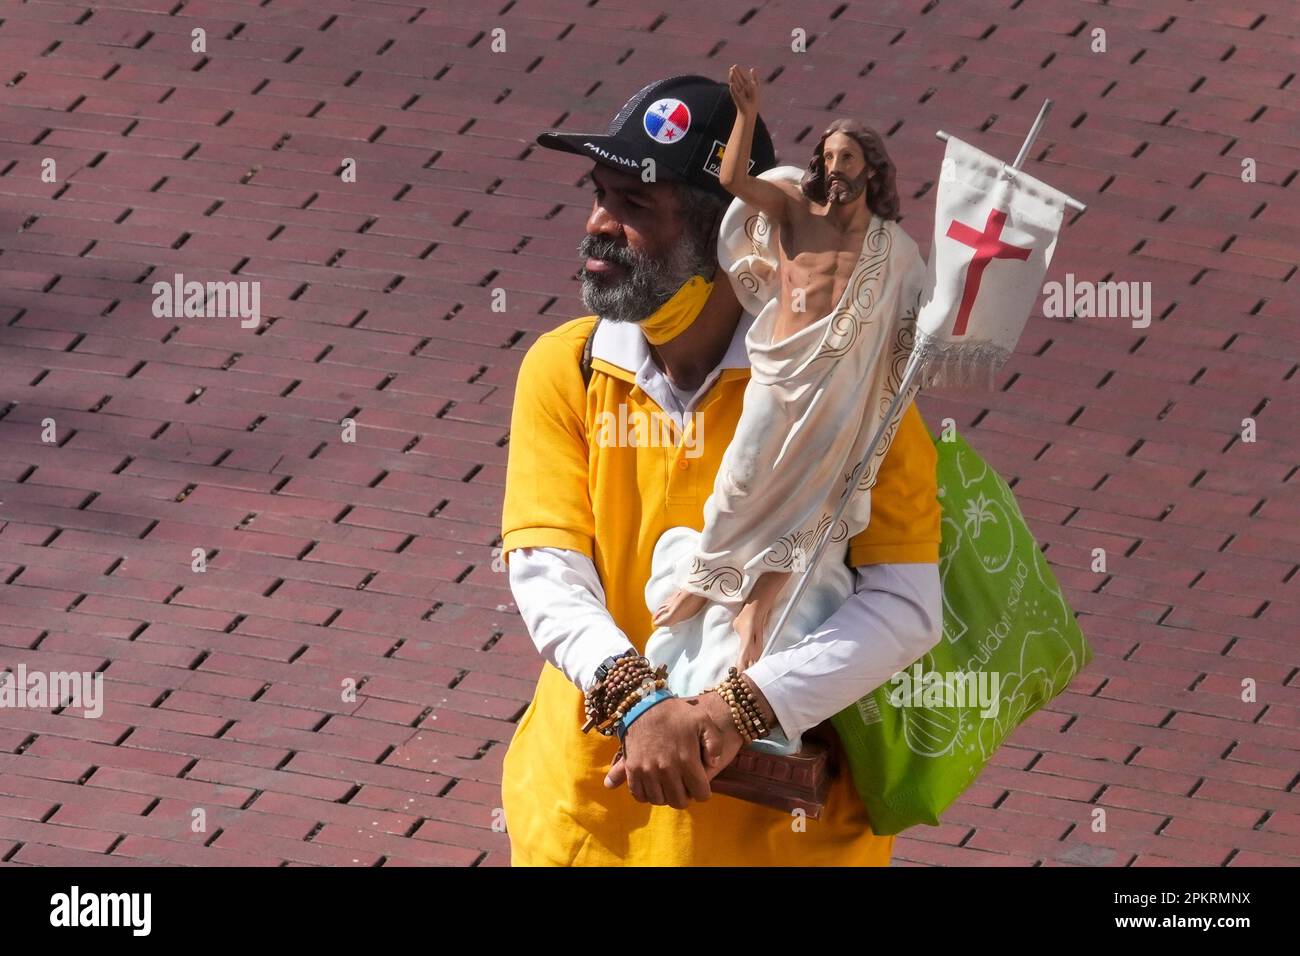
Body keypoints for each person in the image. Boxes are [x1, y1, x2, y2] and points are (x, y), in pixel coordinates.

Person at [500, 73, 943, 866]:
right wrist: (640, 702)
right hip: (587, 823)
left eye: (636, 207)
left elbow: (905, 603)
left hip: (782, 845)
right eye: (599, 194)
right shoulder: (564, 369)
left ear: (730, 239)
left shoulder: (851, 388)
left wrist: (738, 709)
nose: (599, 227)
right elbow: (546, 571)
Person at [651, 67, 930, 677]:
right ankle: (707, 576)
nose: (835, 166)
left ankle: (761, 600)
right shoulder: (793, 206)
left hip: (842, 384)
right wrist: (747, 114)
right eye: (828, 154)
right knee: (743, 473)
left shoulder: (895, 250)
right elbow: (733, 180)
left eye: (847, 156)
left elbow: (913, 327)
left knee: (817, 489)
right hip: (781, 369)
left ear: (871, 169)